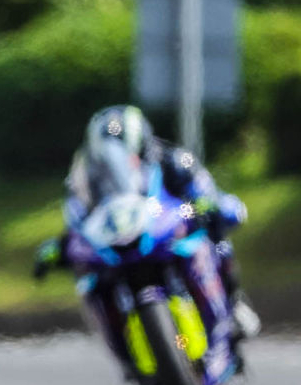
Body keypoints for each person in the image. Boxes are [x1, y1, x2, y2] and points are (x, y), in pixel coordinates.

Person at [34, 105, 261, 341]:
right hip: (122, 242)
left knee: (217, 241)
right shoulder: (89, 182)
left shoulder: (173, 159)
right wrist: (60, 246)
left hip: (174, 225)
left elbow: (206, 190)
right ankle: (123, 347)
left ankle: (235, 303)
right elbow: (77, 220)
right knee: (92, 282)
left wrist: (211, 204)